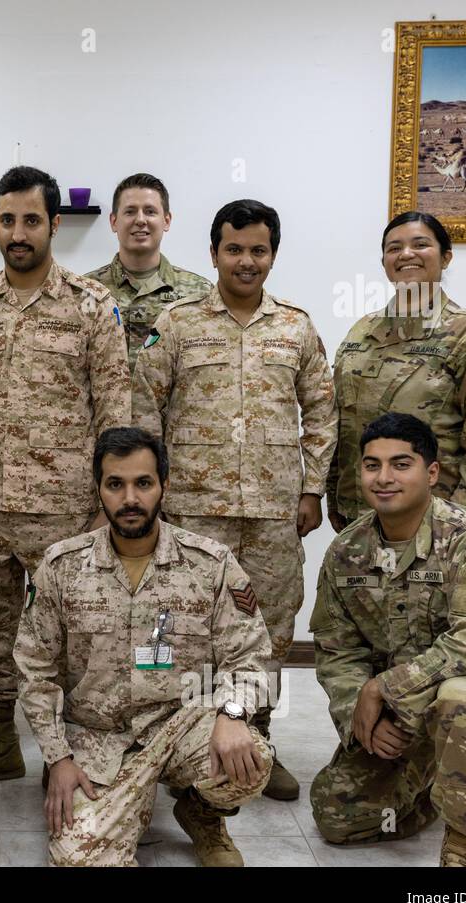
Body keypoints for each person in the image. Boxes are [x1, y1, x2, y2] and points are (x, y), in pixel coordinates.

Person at [0, 166, 131, 793]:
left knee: (71, 631)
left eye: (31, 220)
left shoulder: (93, 306)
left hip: (65, 507)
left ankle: (65, 755)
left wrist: (110, 500)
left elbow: (114, 409)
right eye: (7, 220)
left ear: (53, 224)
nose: (18, 232)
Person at [131, 198, 336, 801]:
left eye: (258, 250)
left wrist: (311, 486)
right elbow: (146, 411)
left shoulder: (295, 326)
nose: (246, 261)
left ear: (272, 254)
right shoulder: (177, 323)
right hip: (193, 511)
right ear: (214, 252)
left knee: (268, 630)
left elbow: (322, 411)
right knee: (182, 628)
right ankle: (183, 742)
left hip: (274, 515)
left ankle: (256, 742)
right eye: (234, 249)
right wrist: (151, 494)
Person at [16, 427, 273, 866]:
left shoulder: (210, 563)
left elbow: (250, 655)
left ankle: (202, 811)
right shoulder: (61, 566)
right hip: (98, 738)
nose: (129, 498)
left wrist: (232, 715)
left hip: (180, 723)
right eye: (115, 484)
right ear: (98, 488)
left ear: (164, 486)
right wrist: (57, 757)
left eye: (143, 483)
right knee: (79, 859)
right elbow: (33, 668)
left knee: (252, 760)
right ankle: (123, 803)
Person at [309, 413, 466, 866]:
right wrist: (357, 713)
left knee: (461, 697)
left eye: (401, 464)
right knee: (338, 815)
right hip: (408, 710)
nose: (384, 478)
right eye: (371, 465)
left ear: (432, 473)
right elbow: (336, 648)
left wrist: (383, 687)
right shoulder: (347, 551)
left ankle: (465, 836)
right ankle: (465, 783)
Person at [327, 211, 466, 530]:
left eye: (420, 244)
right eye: (394, 248)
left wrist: (459, 526)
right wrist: (336, 498)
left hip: (436, 526)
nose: (406, 254)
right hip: (359, 521)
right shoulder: (361, 332)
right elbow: (340, 423)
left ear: (446, 257)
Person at [84, 173, 211, 370]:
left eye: (150, 211)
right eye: (130, 212)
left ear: (166, 221)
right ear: (113, 221)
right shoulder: (87, 290)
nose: (140, 220)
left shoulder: (199, 292)